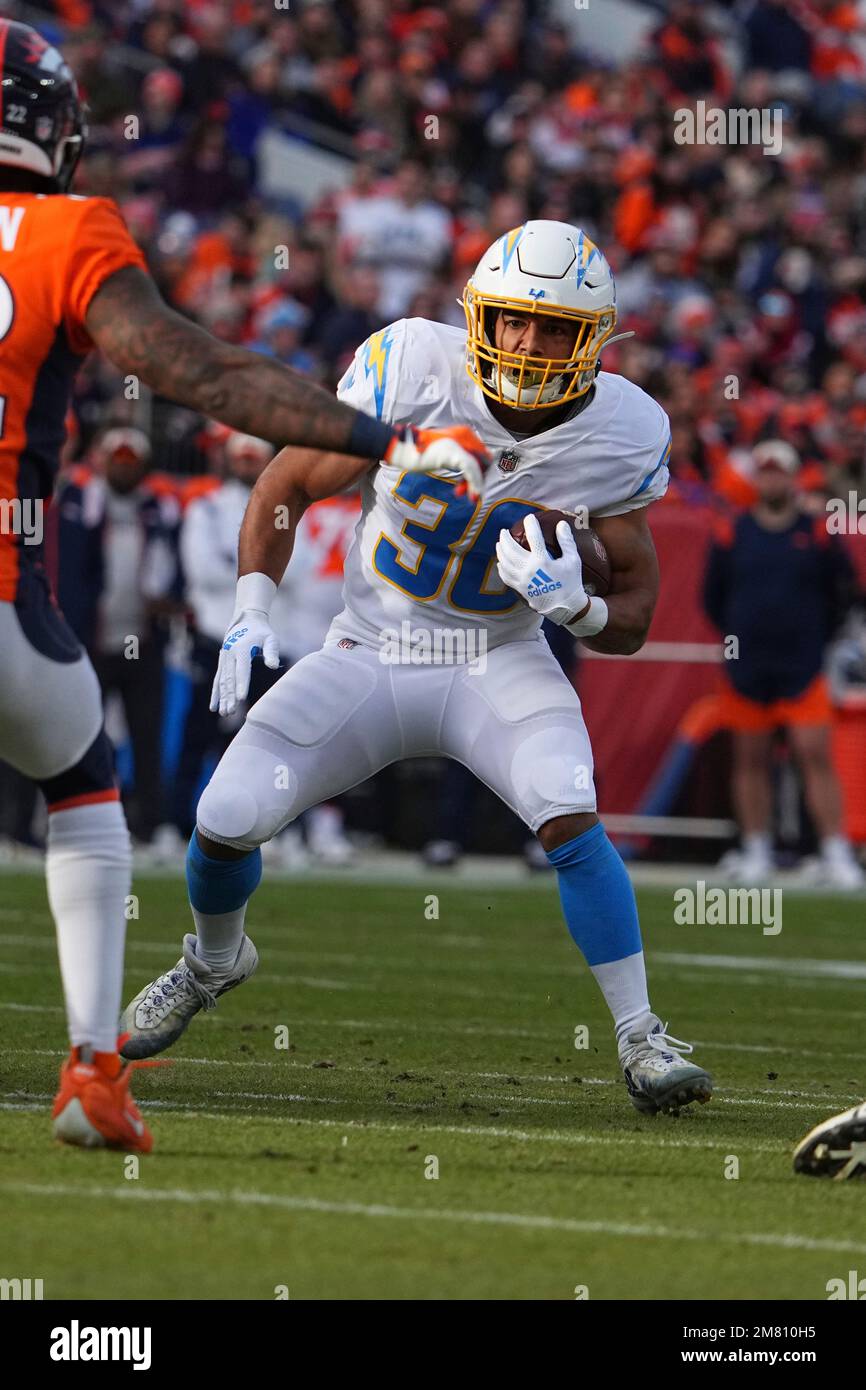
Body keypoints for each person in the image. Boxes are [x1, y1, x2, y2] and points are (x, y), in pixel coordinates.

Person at [0, 19, 488, 1154]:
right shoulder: (69, 229)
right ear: (54, 129)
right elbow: (198, 370)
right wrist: (382, 439)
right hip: (9, 608)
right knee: (79, 784)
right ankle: (91, 1067)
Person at [122, 219, 714, 1119]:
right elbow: (285, 483)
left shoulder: (624, 430)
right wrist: (249, 613)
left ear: (593, 341)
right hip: (369, 648)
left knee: (566, 804)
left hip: (497, 658)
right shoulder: (413, 366)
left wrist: (577, 607)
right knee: (225, 814)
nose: (527, 343)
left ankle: (641, 1037)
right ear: (478, 314)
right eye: (513, 319)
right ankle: (212, 961)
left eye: (555, 328)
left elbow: (634, 614)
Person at [703, 440, 863, 888]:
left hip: (802, 664)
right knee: (750, 759)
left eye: (779, 472)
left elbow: (843, 592)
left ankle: (835, 851)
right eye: (765, 472)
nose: (772, 479)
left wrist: (817, 643)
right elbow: (713, 598)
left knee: (815, 755)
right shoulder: (733, 531)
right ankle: (756, 848)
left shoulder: (817, 533)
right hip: (747, 665)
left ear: (793, 478)